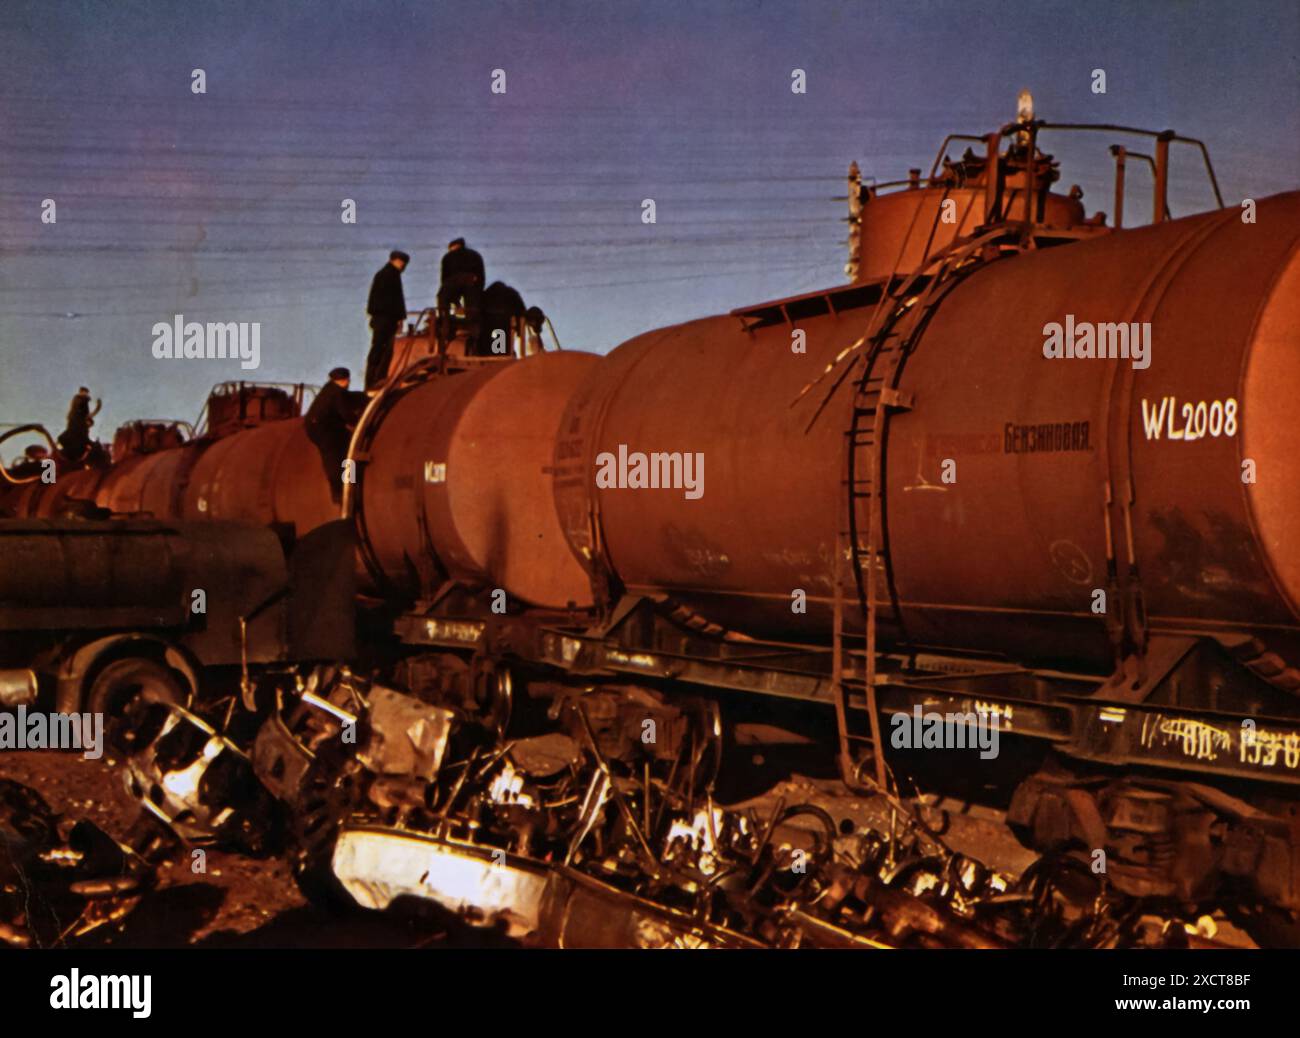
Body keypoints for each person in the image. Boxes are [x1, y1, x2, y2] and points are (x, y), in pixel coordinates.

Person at [304, 367, 355, 503]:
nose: (348, 383)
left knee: (338, 453)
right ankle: (340, 491)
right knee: (338, 455)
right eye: (346, 380)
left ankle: (343, 487)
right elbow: (345, 413)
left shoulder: (329, 389)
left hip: (321, 427)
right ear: (345, 380)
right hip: (325, 430)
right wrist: (357, 422)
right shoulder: (337, 393)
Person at [365, 250, 409, 390]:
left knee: (382, 350)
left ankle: (376, 379)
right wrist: (399, 317)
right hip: (385, 318)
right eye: (403, 263)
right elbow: (394, 300)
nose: (404, 266)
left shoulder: (387, 274)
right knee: (380, 350)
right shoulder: (389, 275)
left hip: (385, 318)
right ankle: (375, 379)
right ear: (397, 261)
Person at [436, 237, 485, 348]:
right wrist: (479, 291)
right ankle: (473, 332)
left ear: (452, 247)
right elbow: (481, 277)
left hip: (453, 280)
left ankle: (445, 326)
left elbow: (444, 279)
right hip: (472, 280)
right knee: (472, 307)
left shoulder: (448, 257)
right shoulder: (475, 255)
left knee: (443, 299)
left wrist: (455, 301)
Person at [476, 280, 526, 357]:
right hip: (503, 336)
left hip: (488, 343)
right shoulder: (512, 296)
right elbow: (522, 314)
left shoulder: (485, 297)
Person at [58, 386, 100, 461]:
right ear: (81, 392)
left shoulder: (83, 400)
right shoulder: (78, 399)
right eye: (85, 392)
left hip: (78, 429)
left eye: (87, 393)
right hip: (75, 426)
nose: (86, 394)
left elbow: (85, 414)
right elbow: (79, 411)